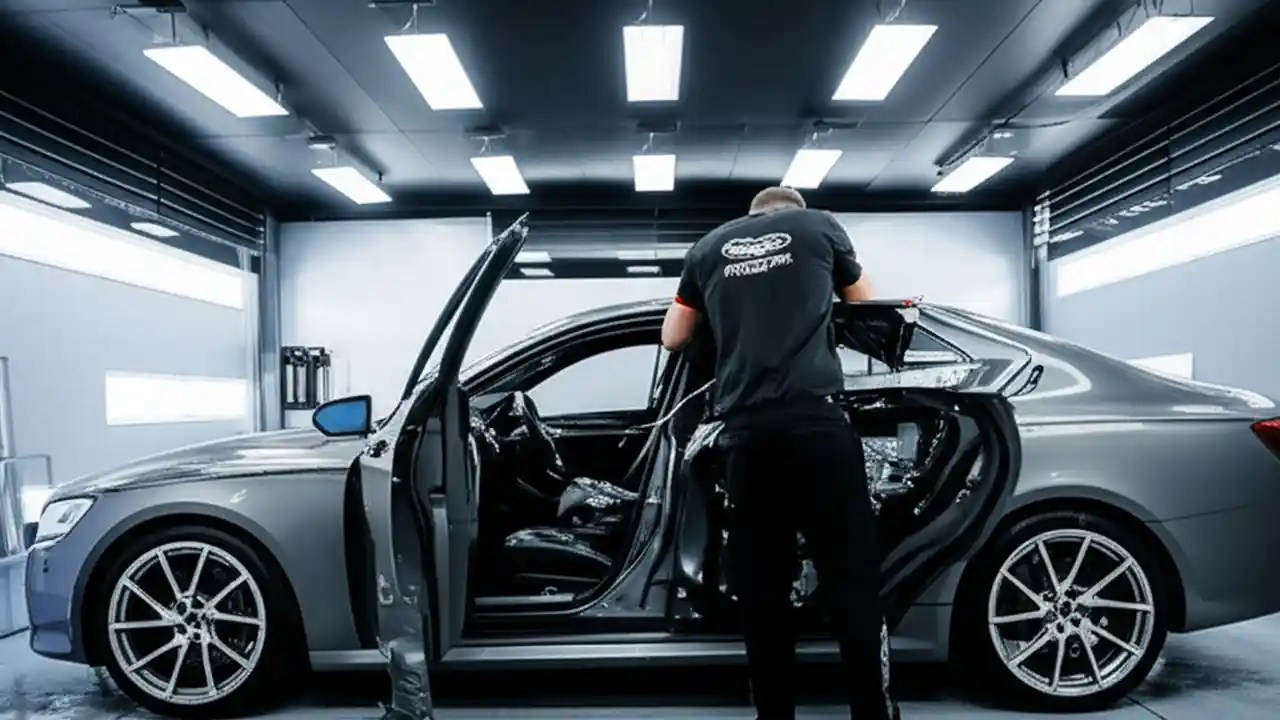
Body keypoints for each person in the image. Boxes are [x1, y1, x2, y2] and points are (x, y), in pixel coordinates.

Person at [661, 186, 898, 720]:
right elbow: (867, 305)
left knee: (764, 591)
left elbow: (673, 337)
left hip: (749, 438)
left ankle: (774, 716)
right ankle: (872, 714)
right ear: (793, 211)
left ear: (752, 215)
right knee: (852, 583)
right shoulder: (819, 226)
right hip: (817, 427)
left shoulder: (706, 248)